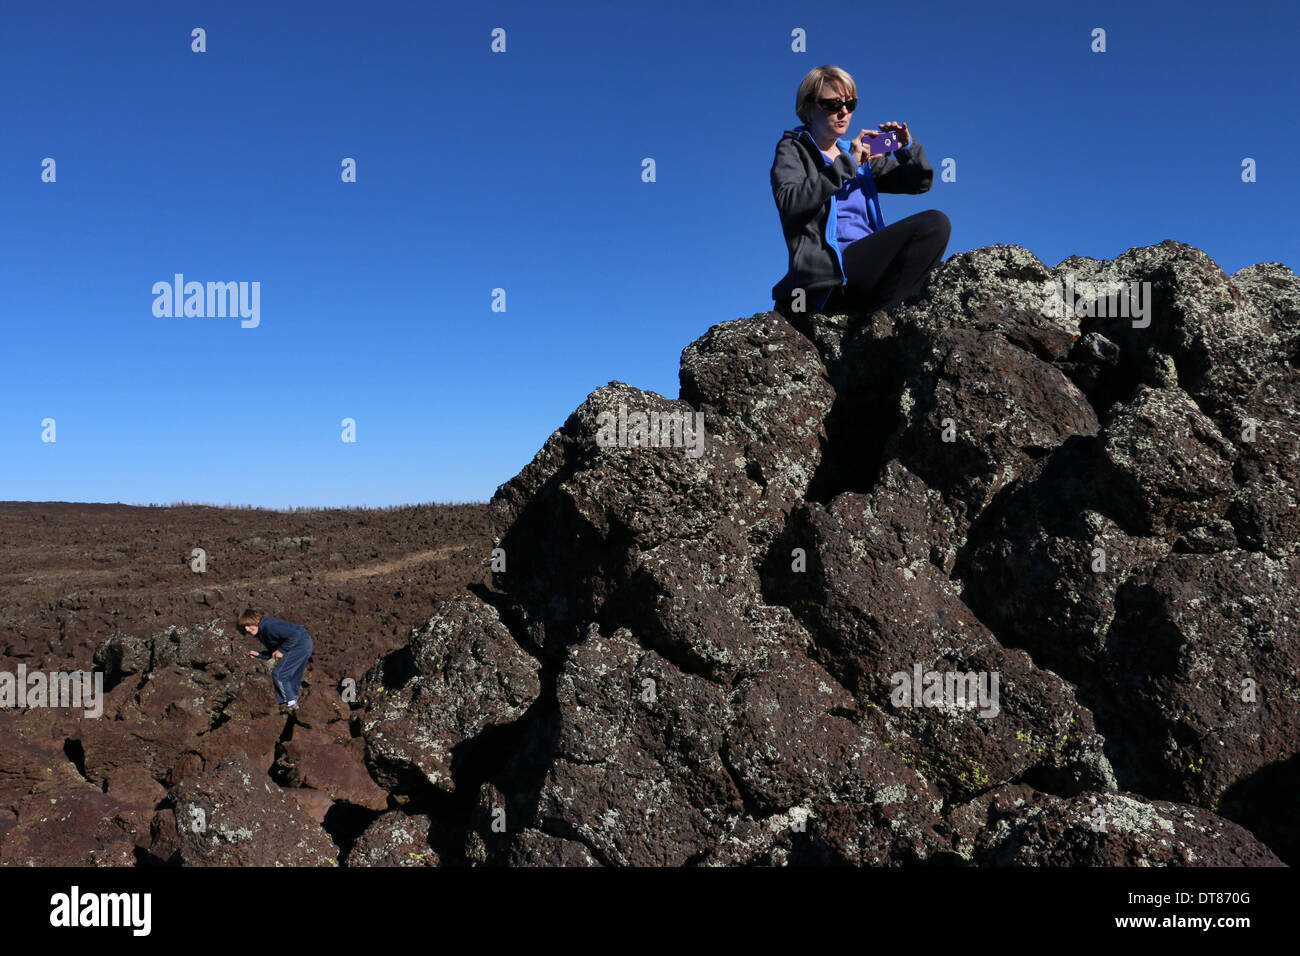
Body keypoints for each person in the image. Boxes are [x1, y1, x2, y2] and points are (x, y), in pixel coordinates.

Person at [770, 64, 950, 325]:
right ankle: (878, 327)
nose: (843, 111)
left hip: (867, 267)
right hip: (830, 273)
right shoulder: (794, 149)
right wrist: (846, 165)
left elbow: (919, 183)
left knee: (935, 225)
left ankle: (878, 324)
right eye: (832, 105)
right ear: (808, 108)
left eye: (850, 103)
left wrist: (906, 147)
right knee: (932, 224)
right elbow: (790, 203)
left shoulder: (858, 153)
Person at [238, 608, 313, 718]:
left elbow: (295, 635)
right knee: (292, 677)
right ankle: (294, 706)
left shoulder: (270, 626)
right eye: (244, 628)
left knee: (279, 674)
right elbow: (275, 651)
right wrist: (259, 655)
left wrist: (282, 650)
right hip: (303, 644)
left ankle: (291, 706)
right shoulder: (262, 632)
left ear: (256, 620)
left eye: (248, 625)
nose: (247, 629)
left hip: (300, 644)